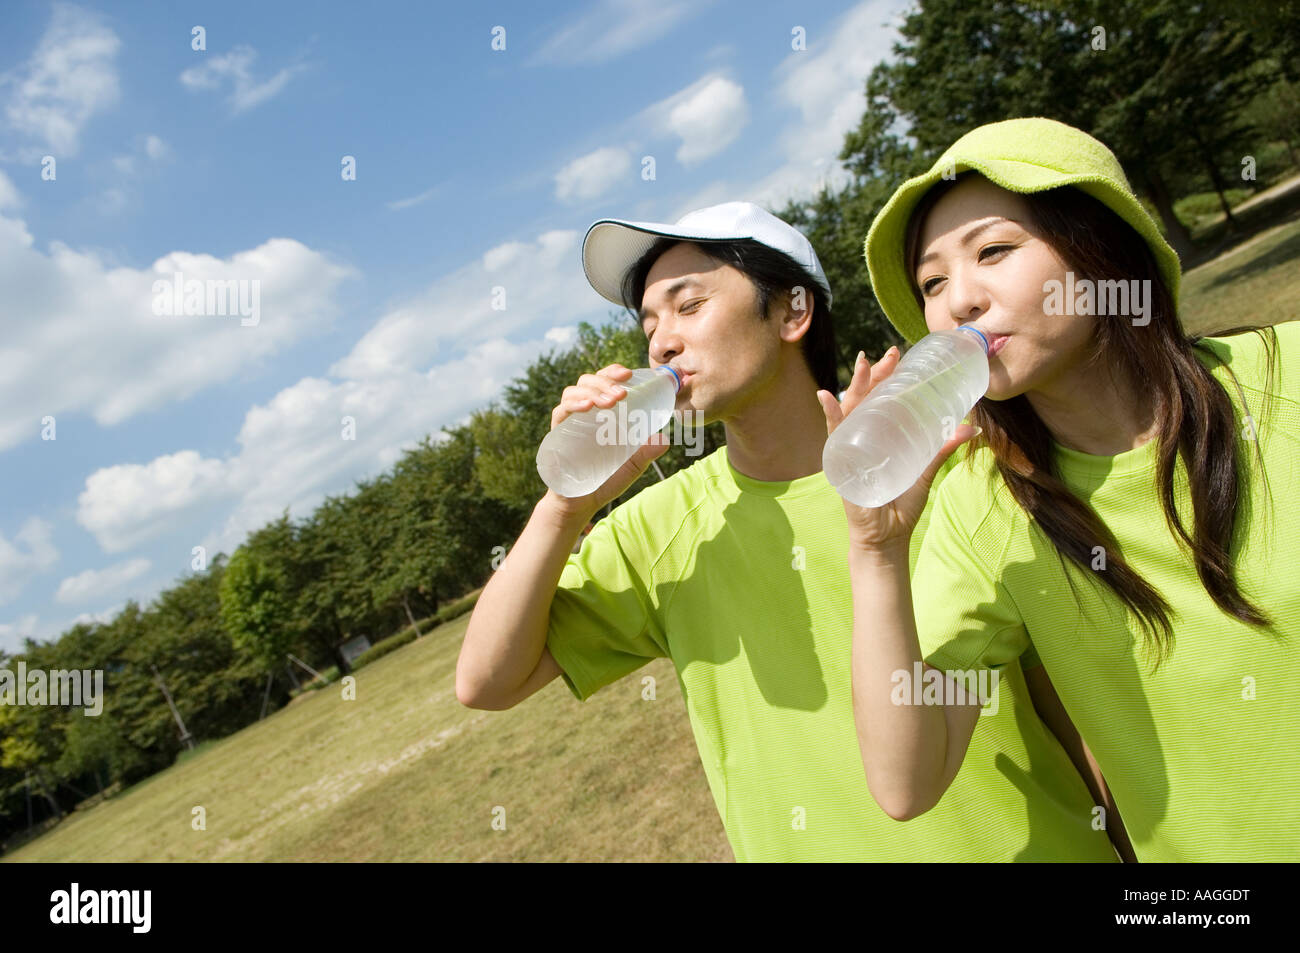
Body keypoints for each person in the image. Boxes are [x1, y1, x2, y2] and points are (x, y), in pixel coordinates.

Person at [457, 201, 1120, 862]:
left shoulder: (943, 474)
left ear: (792, 312)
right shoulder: (662, 527)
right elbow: (486, 681)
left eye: (688, 307)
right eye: (650, 324)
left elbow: (1065, 701)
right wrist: (562, 507)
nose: (660, 342)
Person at [838, 116, 1299, 861]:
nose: (959, 301)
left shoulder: (1281, 383)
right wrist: (876, 550)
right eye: (932, 282)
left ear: (1099, 247)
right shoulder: (987, 504)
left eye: (993, 251)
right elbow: (905, 780)